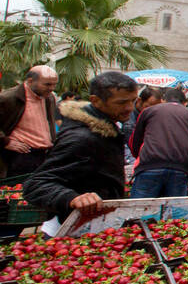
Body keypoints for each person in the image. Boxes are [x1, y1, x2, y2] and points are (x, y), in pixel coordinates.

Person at [24, 71, 137, 222]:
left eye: (133, 101)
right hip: (75, 227)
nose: (129, 107)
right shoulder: (81, 139)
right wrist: (73, 198)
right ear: (95, 101)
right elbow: (36, 185)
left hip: (98, 222)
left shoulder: (107, 128)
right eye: (121, 102)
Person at [128, 87, 188, 198]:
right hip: (181, 169)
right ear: (185, 102)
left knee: (141, 210)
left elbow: (135, 143)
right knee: (174, 211)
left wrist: (140, 158)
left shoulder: (148, 111)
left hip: (151, 165)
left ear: (163, 100)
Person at [0, 65, 59, 178]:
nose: (52, 88)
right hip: (21, 156)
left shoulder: (49, 97)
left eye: (54, 84)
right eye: (47, 84)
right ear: (30, 81)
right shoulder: (9, 98)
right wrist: (5, 142)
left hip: (45, 155)